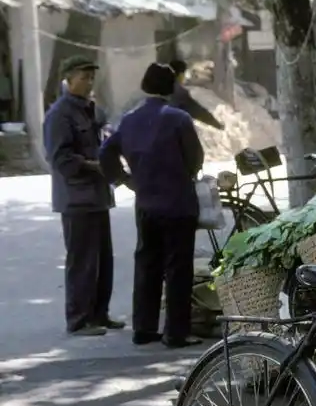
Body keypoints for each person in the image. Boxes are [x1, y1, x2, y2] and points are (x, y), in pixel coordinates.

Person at [100, 63, 205, 348]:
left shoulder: (129, 120)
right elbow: (196, 158)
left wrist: (125, 179)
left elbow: (105, 152)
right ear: (171, 87)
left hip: (145, 203)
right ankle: (176, 332)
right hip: (178, 202)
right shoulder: (179, 118)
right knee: (178, 268)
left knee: (147, 265)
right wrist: (184, 173)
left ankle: (144, 329)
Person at [44, 55, 120, 337]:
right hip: (77, 199)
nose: (89, 83)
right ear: (69, 79)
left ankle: (100, 314)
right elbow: (60, 160)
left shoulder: (90, 110)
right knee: (83, 260)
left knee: (103, 259)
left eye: (91, 77)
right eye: (84, 77)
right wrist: (93, 166)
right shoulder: (59, 115)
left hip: (98, 196)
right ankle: (78, 320)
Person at [168, 59, 224, 131]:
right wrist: (217, 125)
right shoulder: (179, 93)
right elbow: (198, 112)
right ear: (180, 74)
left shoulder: (155, 88)